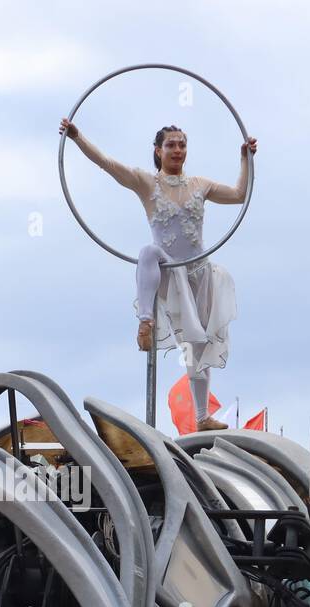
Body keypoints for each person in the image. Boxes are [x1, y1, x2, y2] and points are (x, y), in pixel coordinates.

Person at [60, 117, 256, 431]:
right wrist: (76, 136)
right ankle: (145, 322)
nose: (177, 150)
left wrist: (245, 158)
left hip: (198, 274)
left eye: (182, 144)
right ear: (158, 150)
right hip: (166, 269)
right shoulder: (146, 183)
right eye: (171, 145)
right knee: (147, 252)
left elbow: (238, 195)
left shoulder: (200, 185)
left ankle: (202, 416)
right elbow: (107, 164)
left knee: (198, 344)